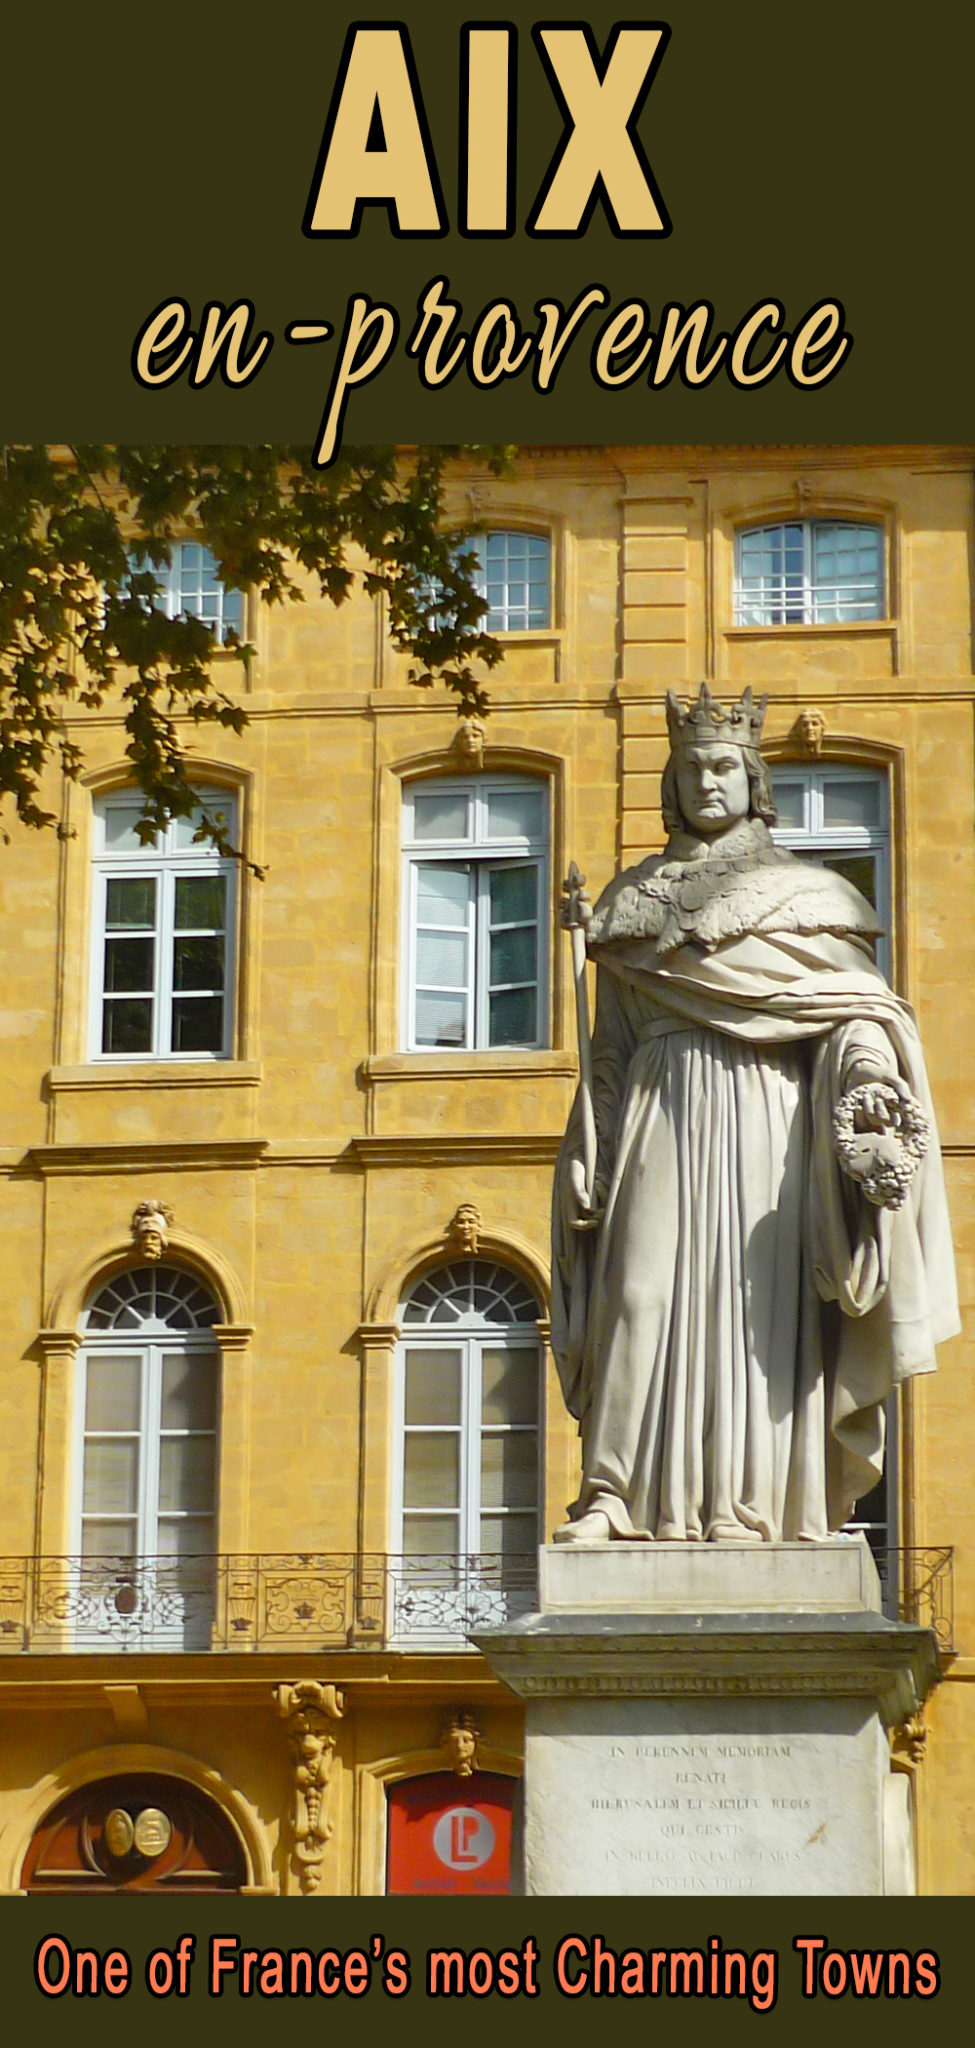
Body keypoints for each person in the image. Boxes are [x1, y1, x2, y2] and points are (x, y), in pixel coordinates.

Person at [551, 684, 959, 1544]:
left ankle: (763, 1505)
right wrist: (591, 1134)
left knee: (756, 1315)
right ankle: (614, 1496)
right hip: (659, 1109)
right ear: (670, 780)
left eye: (723, 765)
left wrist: (869, 1094)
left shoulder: (812, 897)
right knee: (637, 1293)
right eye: (691, 765)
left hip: (768, 1121)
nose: (706, 780)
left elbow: (855, 1014)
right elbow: (611, 1047)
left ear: (752, 778)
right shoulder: (628, 906)